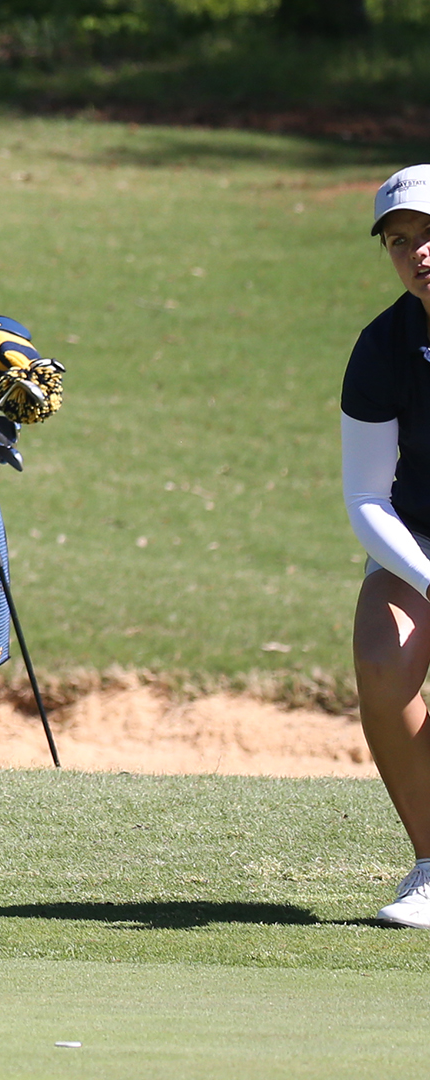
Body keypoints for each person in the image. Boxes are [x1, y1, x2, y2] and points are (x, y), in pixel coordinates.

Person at [342, 163, 430, 929]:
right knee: (382, 655)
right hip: (419, 536)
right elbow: (368, 497)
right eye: (400, 241)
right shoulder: (384, 345)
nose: (417, 252)